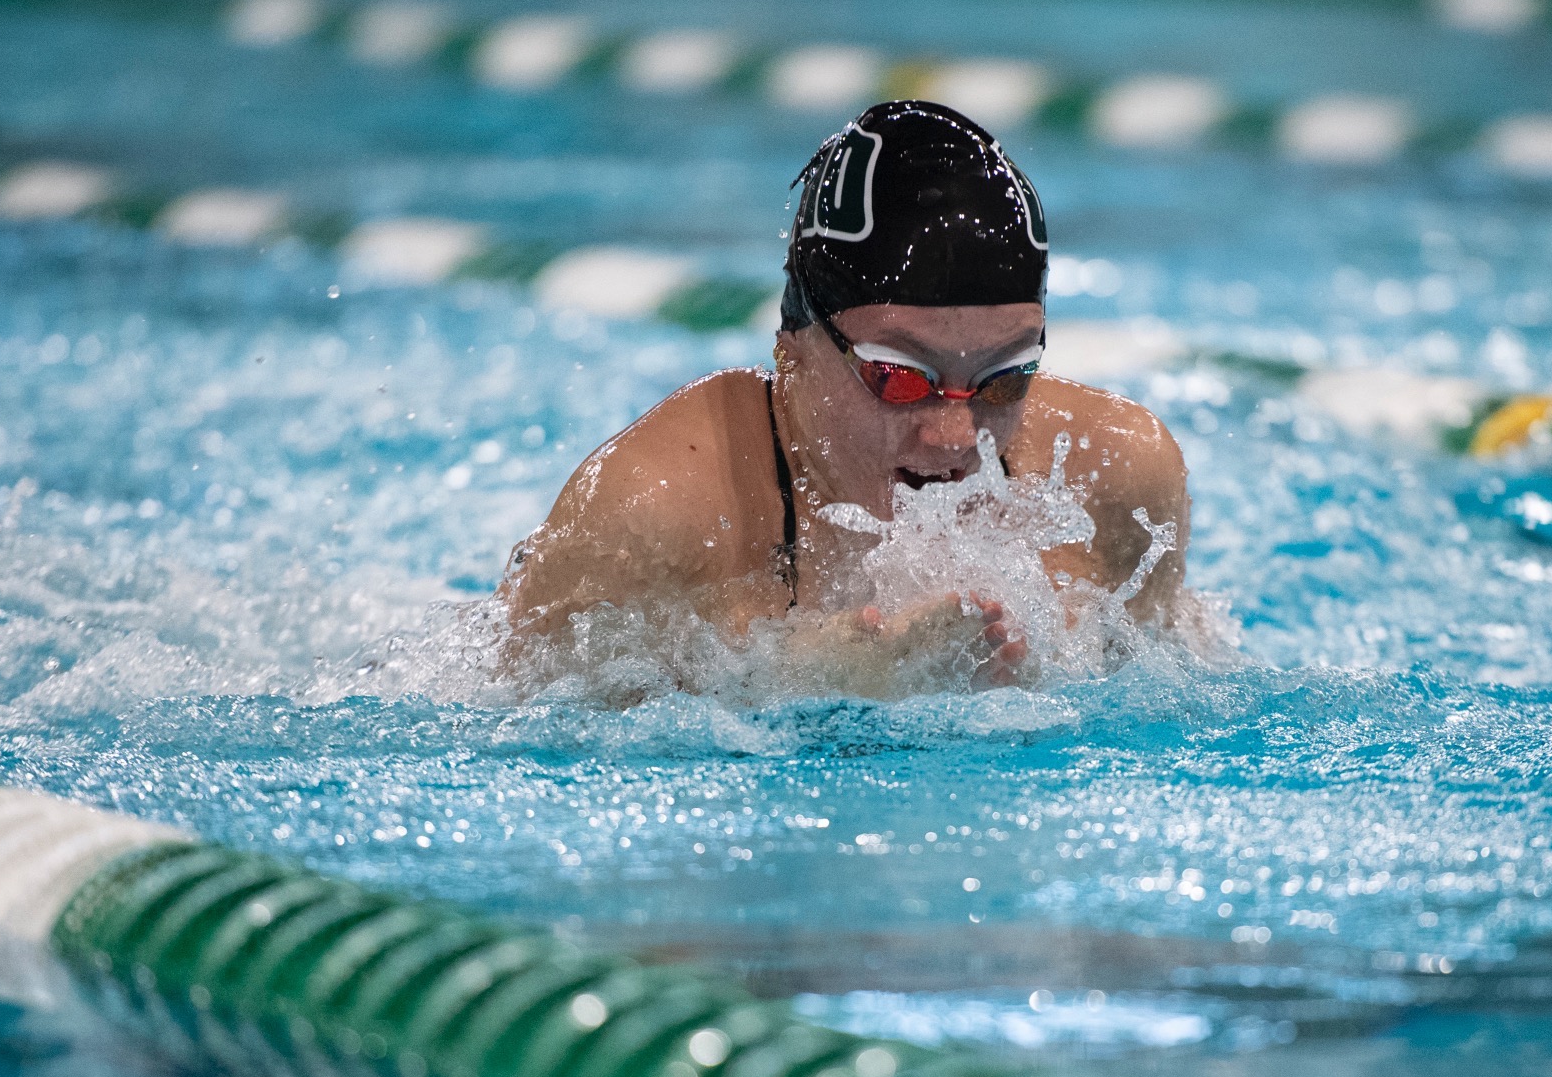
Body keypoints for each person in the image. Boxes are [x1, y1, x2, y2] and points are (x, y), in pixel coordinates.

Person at [500, 100, 1188, 693]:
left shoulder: (1117, 479)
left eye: (1005, 378)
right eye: (900, 377)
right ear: (792, 346)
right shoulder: (652, 515)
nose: (955, 433)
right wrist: (808, 684)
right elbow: (518, 731)